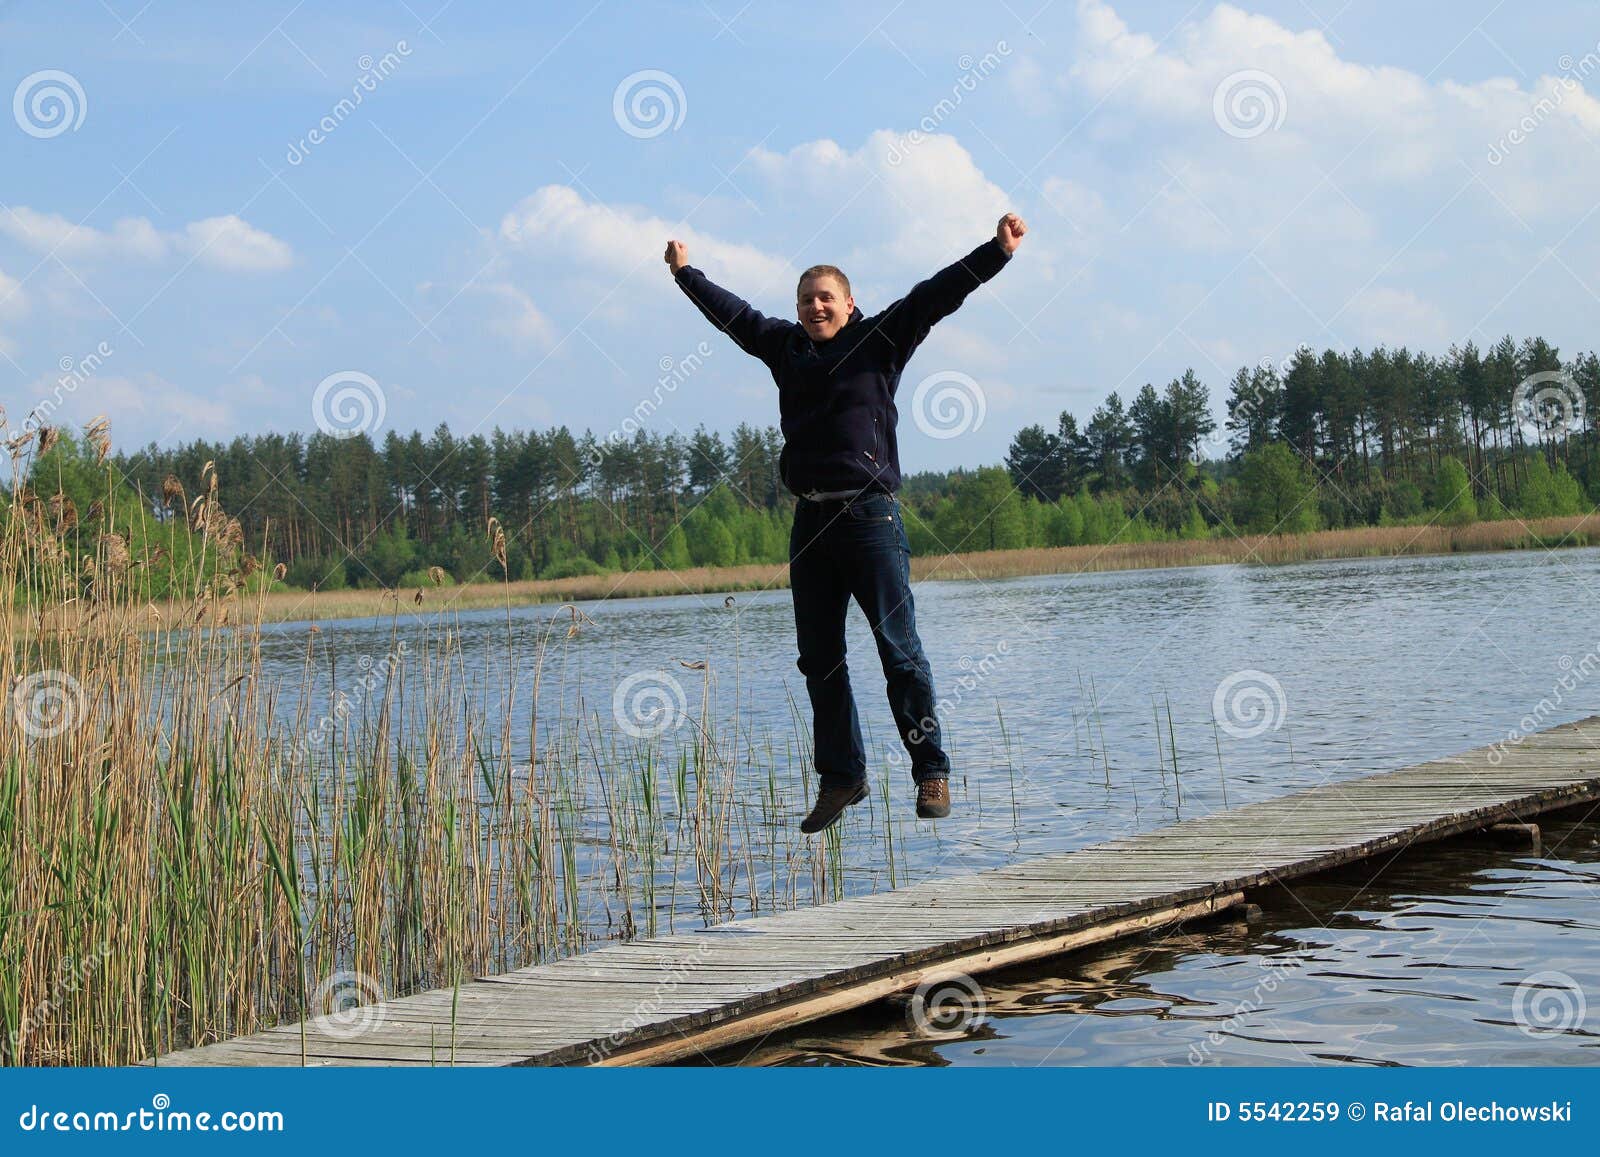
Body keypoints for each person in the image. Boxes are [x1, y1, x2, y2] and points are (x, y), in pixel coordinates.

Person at [665, 212, 1026, 832]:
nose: (814, 307)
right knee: (819, 659)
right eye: (806, 299)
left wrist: (996, 251)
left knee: (899, 651)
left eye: (825, 297)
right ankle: (842, 777)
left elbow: (936, 295)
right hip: (812, 525)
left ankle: (931, 769)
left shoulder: (880, 339)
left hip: (870, 520)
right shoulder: (786, 348)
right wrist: (684, 274)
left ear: (849, 303)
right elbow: (734, 316)